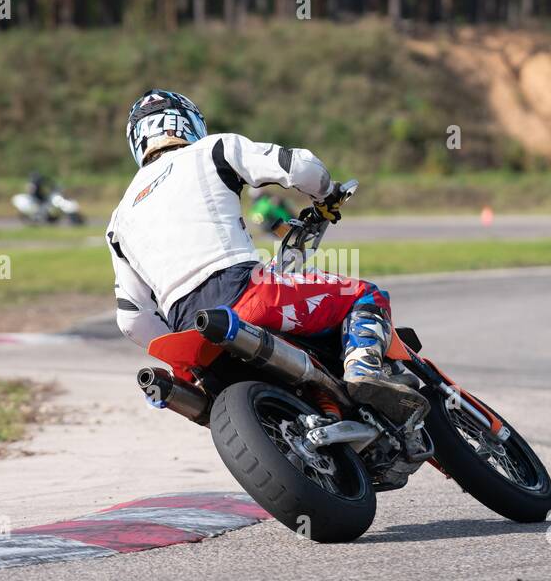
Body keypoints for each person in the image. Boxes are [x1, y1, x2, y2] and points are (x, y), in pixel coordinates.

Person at [106, 89, 428, 424]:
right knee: (364, 295)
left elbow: (132, 319)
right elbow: (300, 167)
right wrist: (327, 194)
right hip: (247, 294)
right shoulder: (212, 149)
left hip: (192, 339)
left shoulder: (117, 219)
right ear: (190, 123)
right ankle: (363, 369)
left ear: (137, 142)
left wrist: (185, 366)